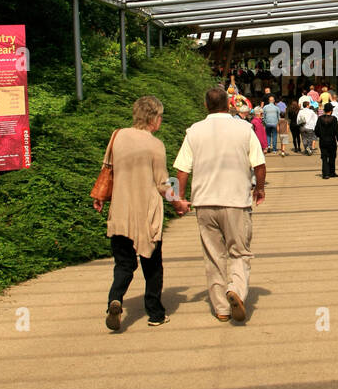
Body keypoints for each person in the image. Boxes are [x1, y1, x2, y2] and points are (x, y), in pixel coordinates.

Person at [173, 86, 266, 323]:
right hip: (236, 201)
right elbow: (259, 164)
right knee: (240, 252)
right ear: (229, 105)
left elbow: (182, 169)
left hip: (204, 203)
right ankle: (235, 288)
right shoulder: (244, 129)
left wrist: (179, 198)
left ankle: (222, 309)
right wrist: (260, 188)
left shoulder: (194, 131)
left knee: (213, 256)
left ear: (205, 106)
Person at [96, 95, 176, 331]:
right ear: (153, 118)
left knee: (123, 264)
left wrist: (100, 197)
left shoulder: (117, 136)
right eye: (160, 116)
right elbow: (163, 184)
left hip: (120, 211)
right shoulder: (155, 145)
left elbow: (106, 169)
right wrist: (177, 200)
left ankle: (116, 298)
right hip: (146, 215)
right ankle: (155, 313)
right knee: (152, 266)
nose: (161, 121)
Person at [314, 101, 338, 178]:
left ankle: (325, 174)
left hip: (323, 141)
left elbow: (316, 130)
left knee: (324, 157)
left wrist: (320, 135)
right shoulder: (334, 119)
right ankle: (332, 172)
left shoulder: (320, 119)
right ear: (331, 110)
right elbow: (337, 131)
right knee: (332, 157)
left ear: (324, 110)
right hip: (331, 141)